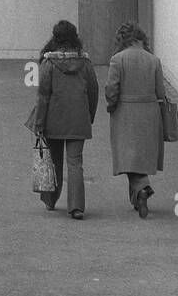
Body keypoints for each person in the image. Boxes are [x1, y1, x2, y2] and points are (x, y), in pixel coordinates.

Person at [33, 19, 99, 220]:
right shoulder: (85, 63)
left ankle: (51, 200)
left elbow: (43, 96)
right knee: (75, 162)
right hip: (78, 119)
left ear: (55, 38)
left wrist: (39, 123)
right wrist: (90, 116)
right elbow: (93, 91)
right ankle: (76, 207)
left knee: (54, 161)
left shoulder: (48, 64)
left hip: (54, 119)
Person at [105, 22, 166, 219]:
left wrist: (111, 105)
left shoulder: (117, 59)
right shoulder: (154, 60)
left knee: (129, 157)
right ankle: (137, 196)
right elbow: (161, 92)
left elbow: (111, 89)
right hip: (149, 113)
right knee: (140, 156)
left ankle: (142, 188)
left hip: (125, 112)